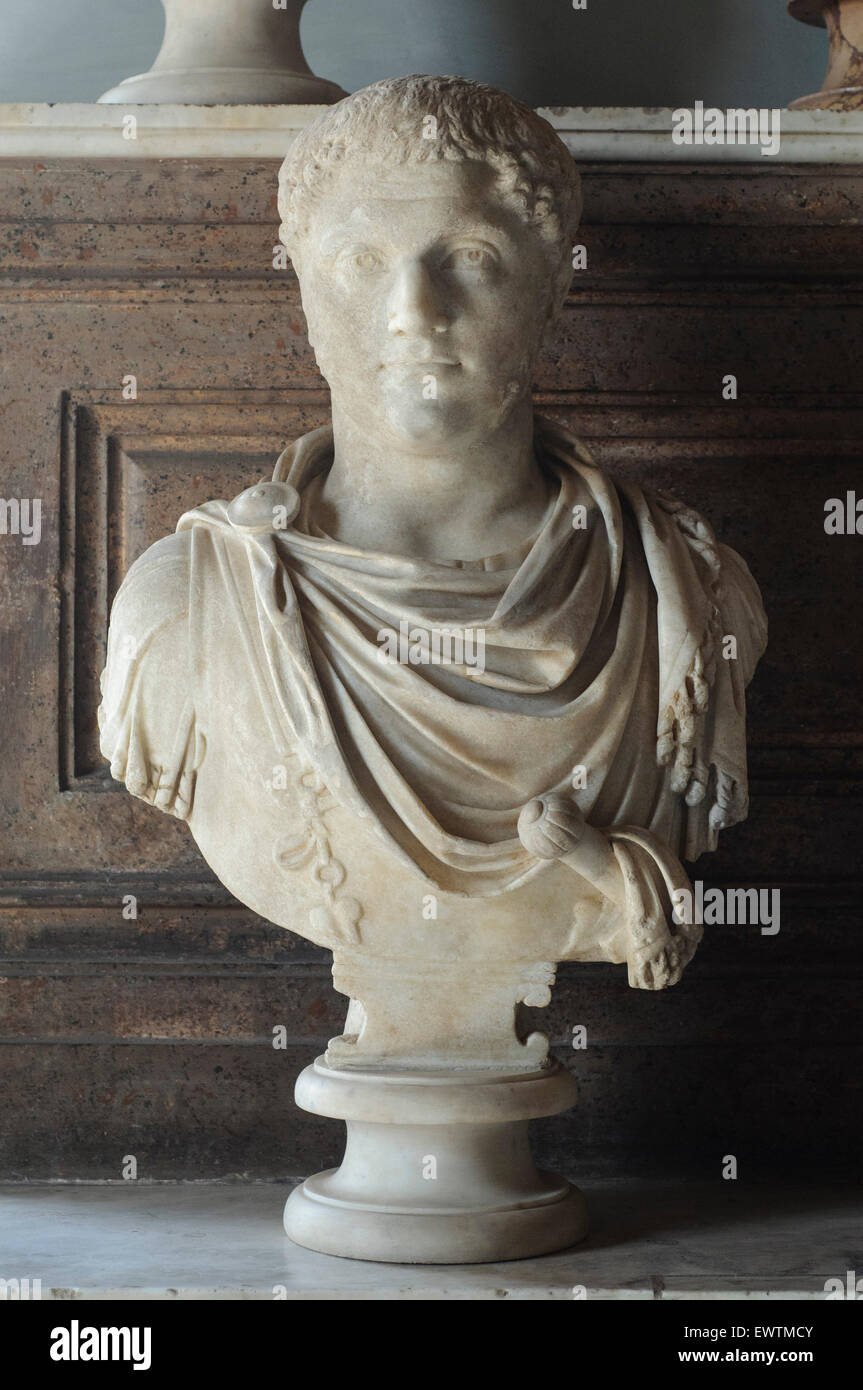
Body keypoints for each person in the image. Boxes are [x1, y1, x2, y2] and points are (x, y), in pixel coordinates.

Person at [99, 75, 767, 995]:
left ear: (551, 286)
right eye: (361, 259)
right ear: (299, 284)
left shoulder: (691, 600)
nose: (414, 308)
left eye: (470, 255)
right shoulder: (182, 612)